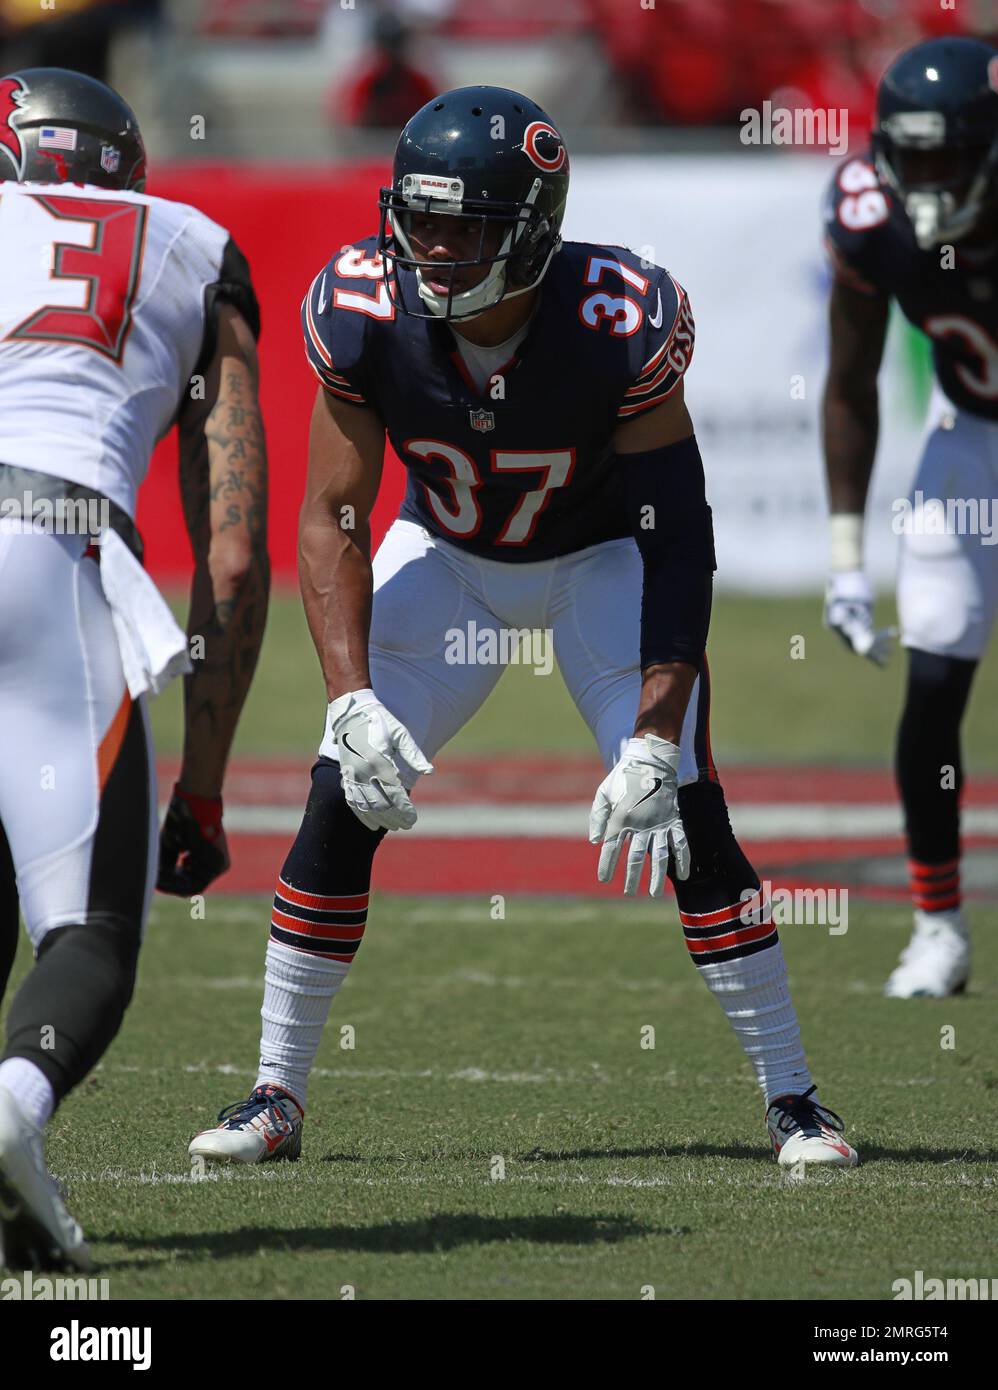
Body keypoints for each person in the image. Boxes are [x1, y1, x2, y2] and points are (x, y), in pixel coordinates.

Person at [191, 85, 857, 1172]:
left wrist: (652, 730)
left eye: (465, 228)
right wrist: (348, 697)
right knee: (339, 784)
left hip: (597, 563)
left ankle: (795, 1100)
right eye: (419, 219)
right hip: (448, 563)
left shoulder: (614, 317)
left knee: (681, 801)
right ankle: (274, 1093)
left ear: (533, 232)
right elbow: (332, 516)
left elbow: (676, 533)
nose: (433, 248)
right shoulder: (363, 307)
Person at [0, 66, 269, 1269]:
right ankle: (10, 1116)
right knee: (90, 925)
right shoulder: (194, 246)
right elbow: (233, 546)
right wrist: (202, 783)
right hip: (53, 547)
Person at [822, 36, 998, 998]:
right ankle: (938, 925)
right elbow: (848, 385)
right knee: (933, 658)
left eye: (949, 157)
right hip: (973, 434)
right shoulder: (869, 215)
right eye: (911, 157)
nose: (925, 182)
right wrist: (847, 555)